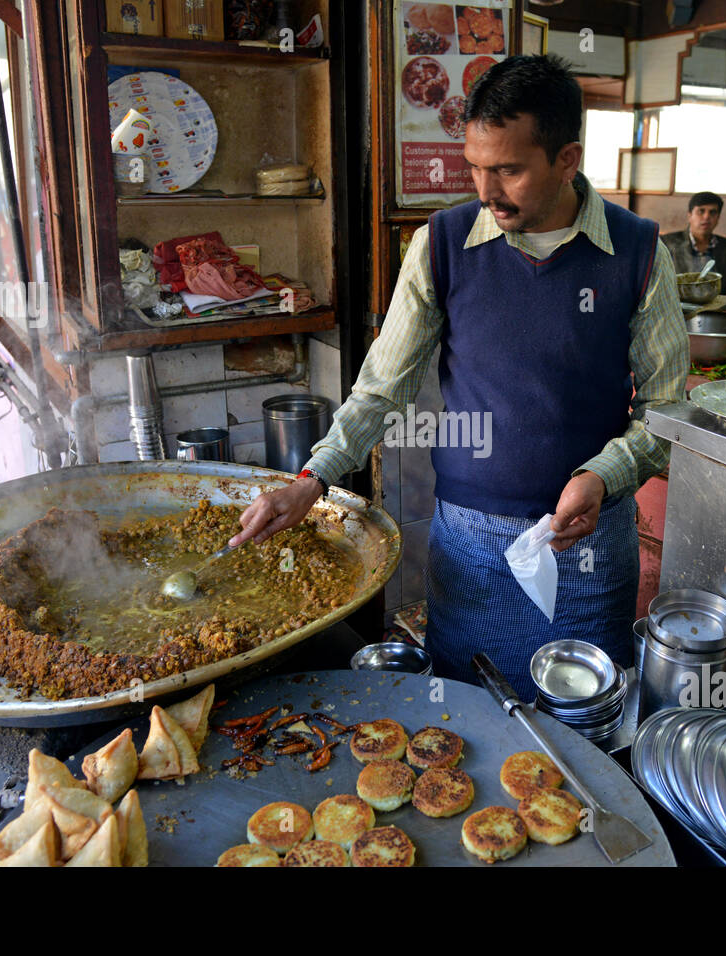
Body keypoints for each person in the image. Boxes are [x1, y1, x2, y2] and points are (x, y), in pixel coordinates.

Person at [228, 55, 688, 697]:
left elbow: (668, 413)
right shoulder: (442, 245)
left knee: (582, 726)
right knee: (465, 719)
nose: (486, 190)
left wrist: (604, 475)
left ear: (567, 159)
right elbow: (382, 388)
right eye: (474, 167)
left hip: (586, 545)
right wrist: (314, 479)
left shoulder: (638, 253)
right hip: (468, 545)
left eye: (508, 169)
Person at [662, 191, 726, 292]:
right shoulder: (667, 243)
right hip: (679, 306)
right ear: (689, 216)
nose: (707, 217)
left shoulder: (725, 246)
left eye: (712, 212)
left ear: (718, 218)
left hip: (715, 306)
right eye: (701, 211)